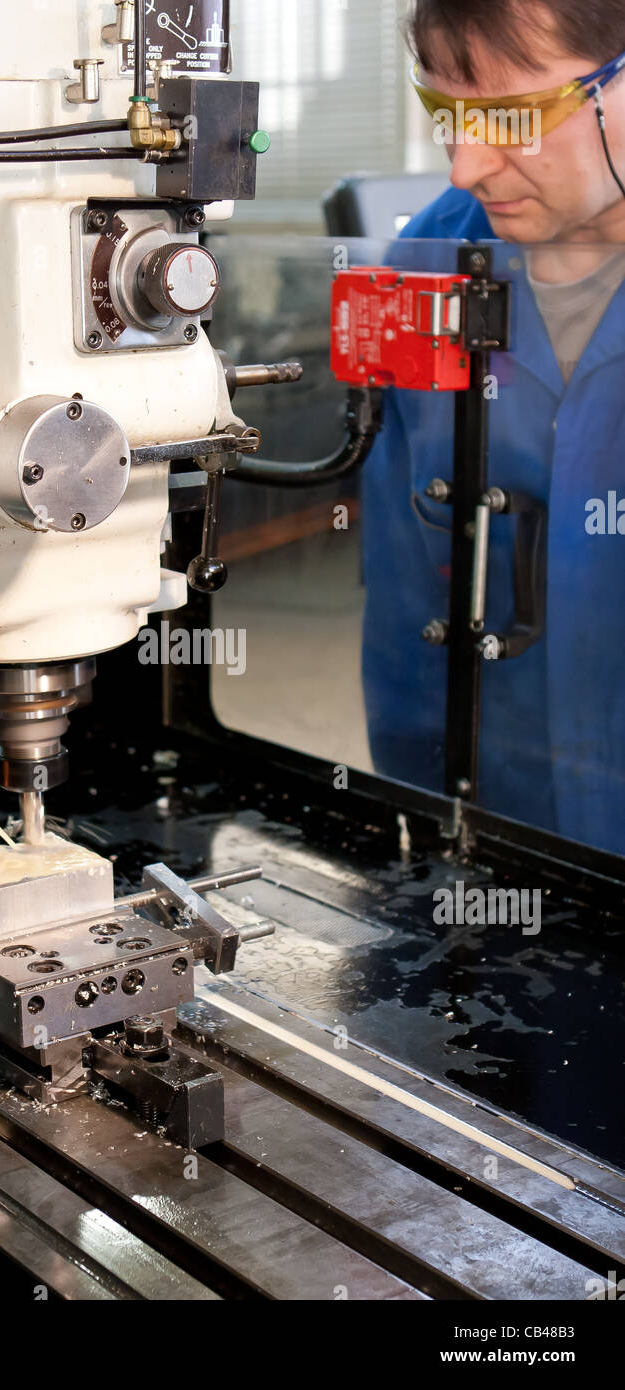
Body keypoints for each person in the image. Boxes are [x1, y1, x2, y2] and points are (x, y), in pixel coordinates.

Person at [363, 0, 625, 853]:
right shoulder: (428, 266)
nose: (468, 167)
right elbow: (407, 601)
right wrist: (424, 843)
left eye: (513, 119)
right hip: (505, 821)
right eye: (448, 116)